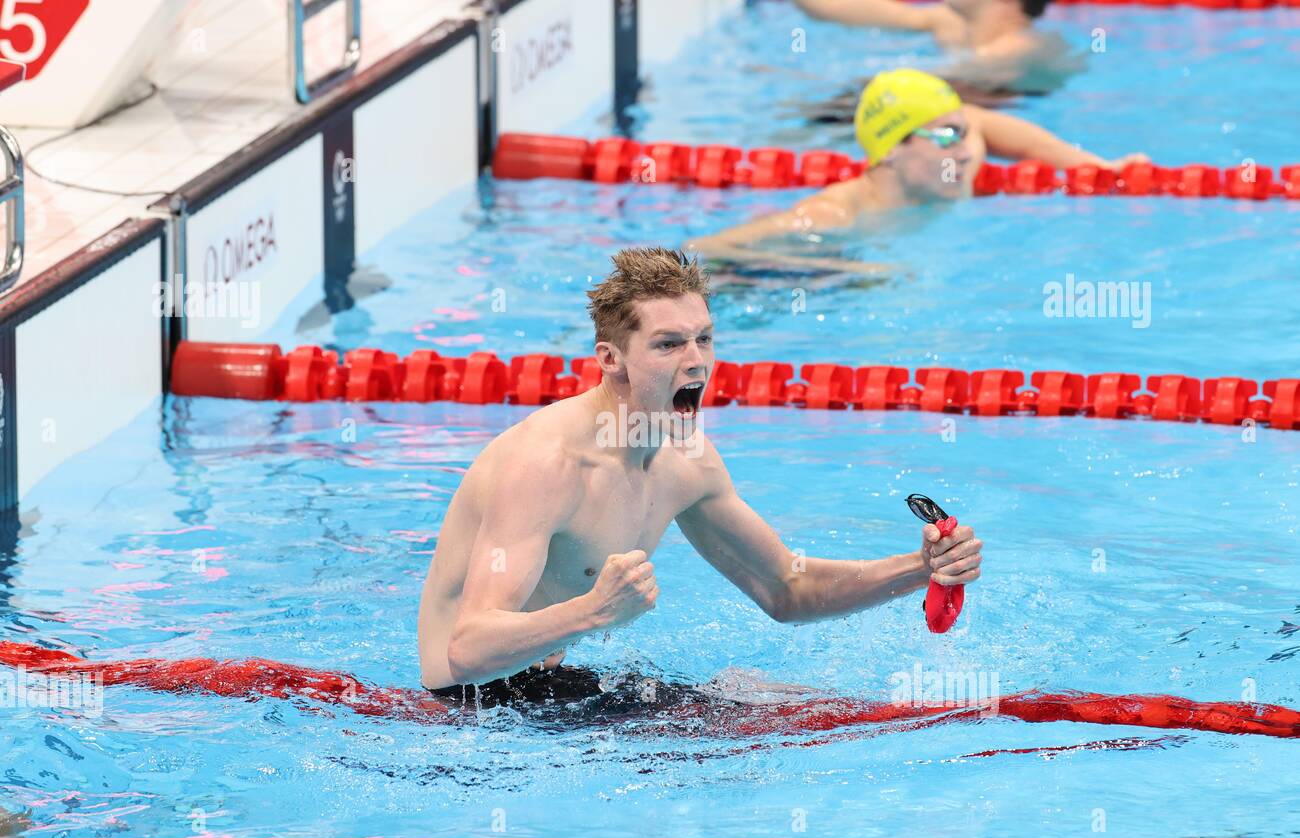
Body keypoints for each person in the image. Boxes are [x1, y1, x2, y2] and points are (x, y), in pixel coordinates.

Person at [417, 247, 983, 706]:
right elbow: (467, 650)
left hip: (549, 692)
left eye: (704, 339)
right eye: (668, 344)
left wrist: (920, 568)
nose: (696, 361)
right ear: (611, 359)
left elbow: (786, 588)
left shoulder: (685, 458)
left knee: (789, 707)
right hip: (472, 711)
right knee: (788, 718)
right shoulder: (545, 466)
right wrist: (592, 614)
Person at [687, 68, 1147, 273]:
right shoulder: (833, 215)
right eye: (946, 136)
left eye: (962, 133)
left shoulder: (953, 169)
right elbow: (703, 248)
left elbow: (987, 124)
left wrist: (1095, 166)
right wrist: (847, 269)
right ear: (890, 151)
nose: (966, 151)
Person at [792, 0, 1084, 99]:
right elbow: (831, 7)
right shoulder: (948, 24)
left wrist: (802, 80)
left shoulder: (1024, 48)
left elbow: (917, 83)